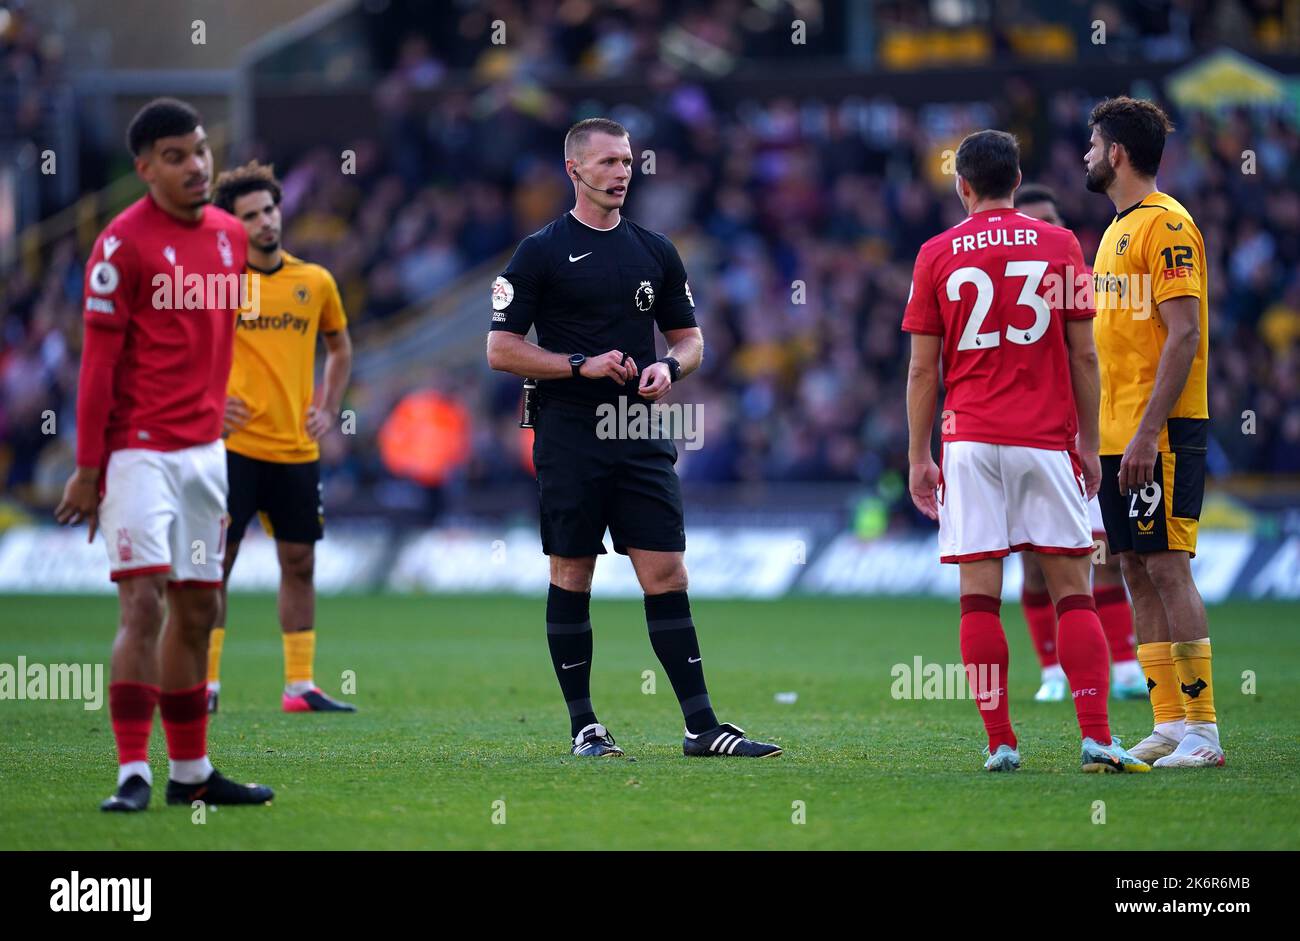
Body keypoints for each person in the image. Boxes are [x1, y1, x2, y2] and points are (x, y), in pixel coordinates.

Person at [485, 117, 781, 759]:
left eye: (627, 161)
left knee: (667, 571)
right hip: (568, 434)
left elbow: (690, 338)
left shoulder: (656, 250)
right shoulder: (539, 252)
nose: (622, 172)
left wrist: (669, 367)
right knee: (573, 571)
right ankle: (584, 725)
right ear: (574, 170)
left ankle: (702, 727)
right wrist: (576, 365)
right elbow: (500, 348)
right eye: (608, 162)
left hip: (639, 428)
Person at [53, 98, 275, 810]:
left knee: (200, 604)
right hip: (137, 454)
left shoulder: (227, 238)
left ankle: (190, 773)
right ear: (143, 167)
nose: (195, 165)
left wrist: (220, 404)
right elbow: (97, 365)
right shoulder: (119, 247)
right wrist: (90, 467)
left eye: (201, 150)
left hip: (205, 454)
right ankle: (130, 772)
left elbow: (209, 341)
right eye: (175, 156)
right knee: (142, 603)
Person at [904, 129, 1148, 773]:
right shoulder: (1061, 243)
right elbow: (1085, 353)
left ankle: (1000, 742)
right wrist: (1090, 446)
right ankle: (1096, 735)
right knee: (1075, 592)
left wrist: (918, 457)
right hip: (1045, 440)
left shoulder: (935, 254)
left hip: (969, 441)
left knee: (979, 596)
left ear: (963, 187)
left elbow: (923, 372)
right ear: (1017, 183)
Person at [1084, 96, 1224, 767]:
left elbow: (1186, 333)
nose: (1084, 154)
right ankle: (1168, 721)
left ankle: (1203, 731)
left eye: (1091, 142)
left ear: (1116, 152)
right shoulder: (1114, 231)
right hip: (1119, 435)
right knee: (1133, 568)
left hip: (1158, 431)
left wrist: (1146, 433)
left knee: (1168, 565)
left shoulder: (1168, 227)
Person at [208, 161, 355, 714]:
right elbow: (184, 352)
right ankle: (205, 686)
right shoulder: (216, 286)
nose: (265, 222)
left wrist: (329, 405)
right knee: (215, 564)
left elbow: (340, 347)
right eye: (250, 216)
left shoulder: (313, 282)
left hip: (296, 449)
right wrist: (209, 402)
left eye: (269, 209)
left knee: (300, 564)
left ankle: (299, 686)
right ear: (231, 226)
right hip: (232, 449)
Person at [1011, 183, 1145, 703]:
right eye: (1032, 222)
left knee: (1102, 553)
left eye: (1048, 220)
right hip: (1033, 435)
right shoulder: (1010, 293)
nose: (1040, 230)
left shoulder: (1084, 281)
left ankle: (1128, 665)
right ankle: (1052, 672)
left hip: (1088, 435)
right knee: (1033, 559)